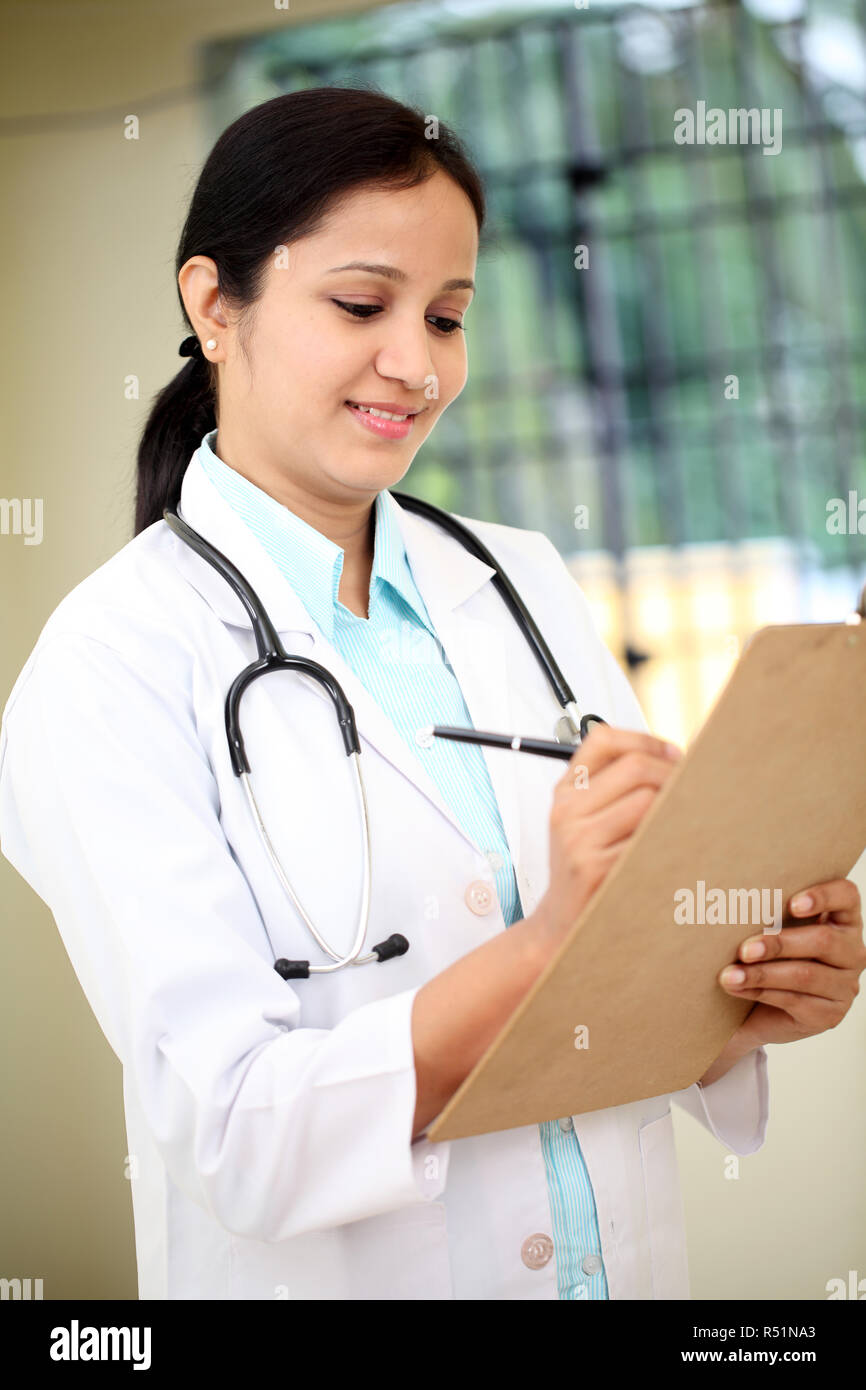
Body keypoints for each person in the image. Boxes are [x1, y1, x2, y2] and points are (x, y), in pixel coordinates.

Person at [1, 87, 863, 1302]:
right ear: (213, 304)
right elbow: (239, 1131)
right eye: (361, 303)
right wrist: (547, 943)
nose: (414, 363)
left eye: (447, 316)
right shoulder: (110, 662)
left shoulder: (522, 579)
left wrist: (744, 984)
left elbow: (622, 957)